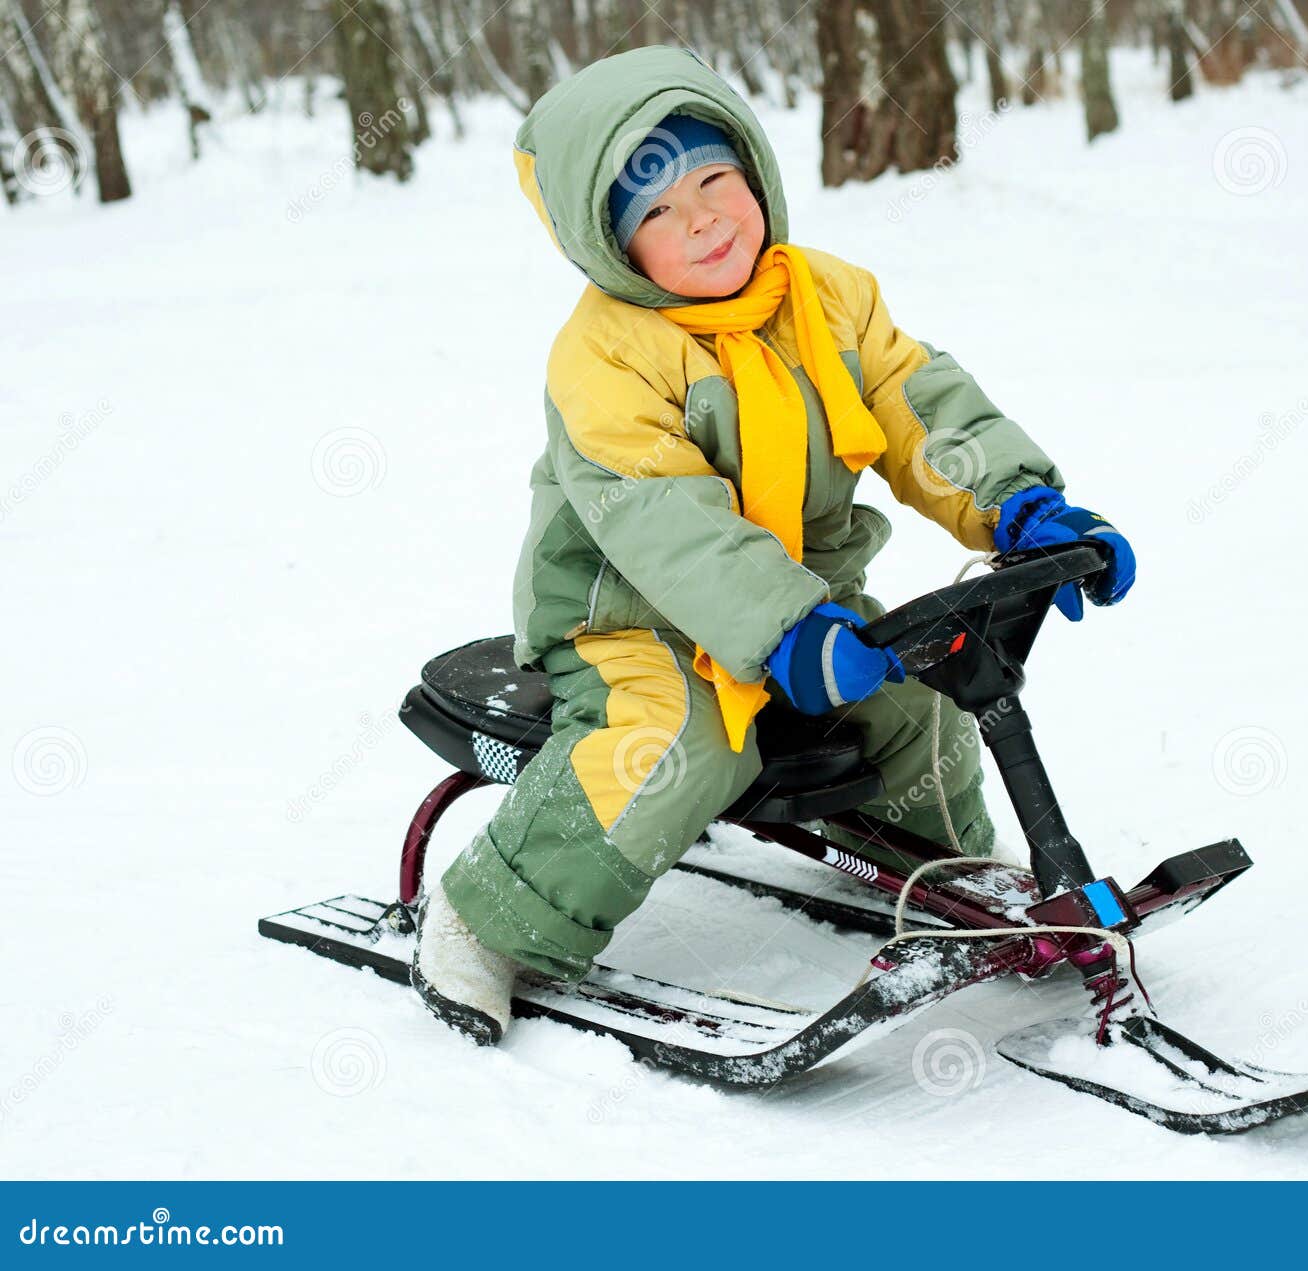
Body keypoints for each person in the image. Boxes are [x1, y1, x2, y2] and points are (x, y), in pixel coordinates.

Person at [410, 45, 1136, 1045]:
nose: (702, 218)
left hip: (807, 605)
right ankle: (490, 917)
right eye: (655, 210)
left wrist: (1017, 503)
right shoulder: (605, 357)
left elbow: (920, 405)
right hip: (633, 624)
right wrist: (783, 624)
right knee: (675, 744)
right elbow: (667, 522)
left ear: (755, 172)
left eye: (714, 180)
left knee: (922, 688)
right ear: (609, 244)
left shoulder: (827, 298)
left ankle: (948, 877)